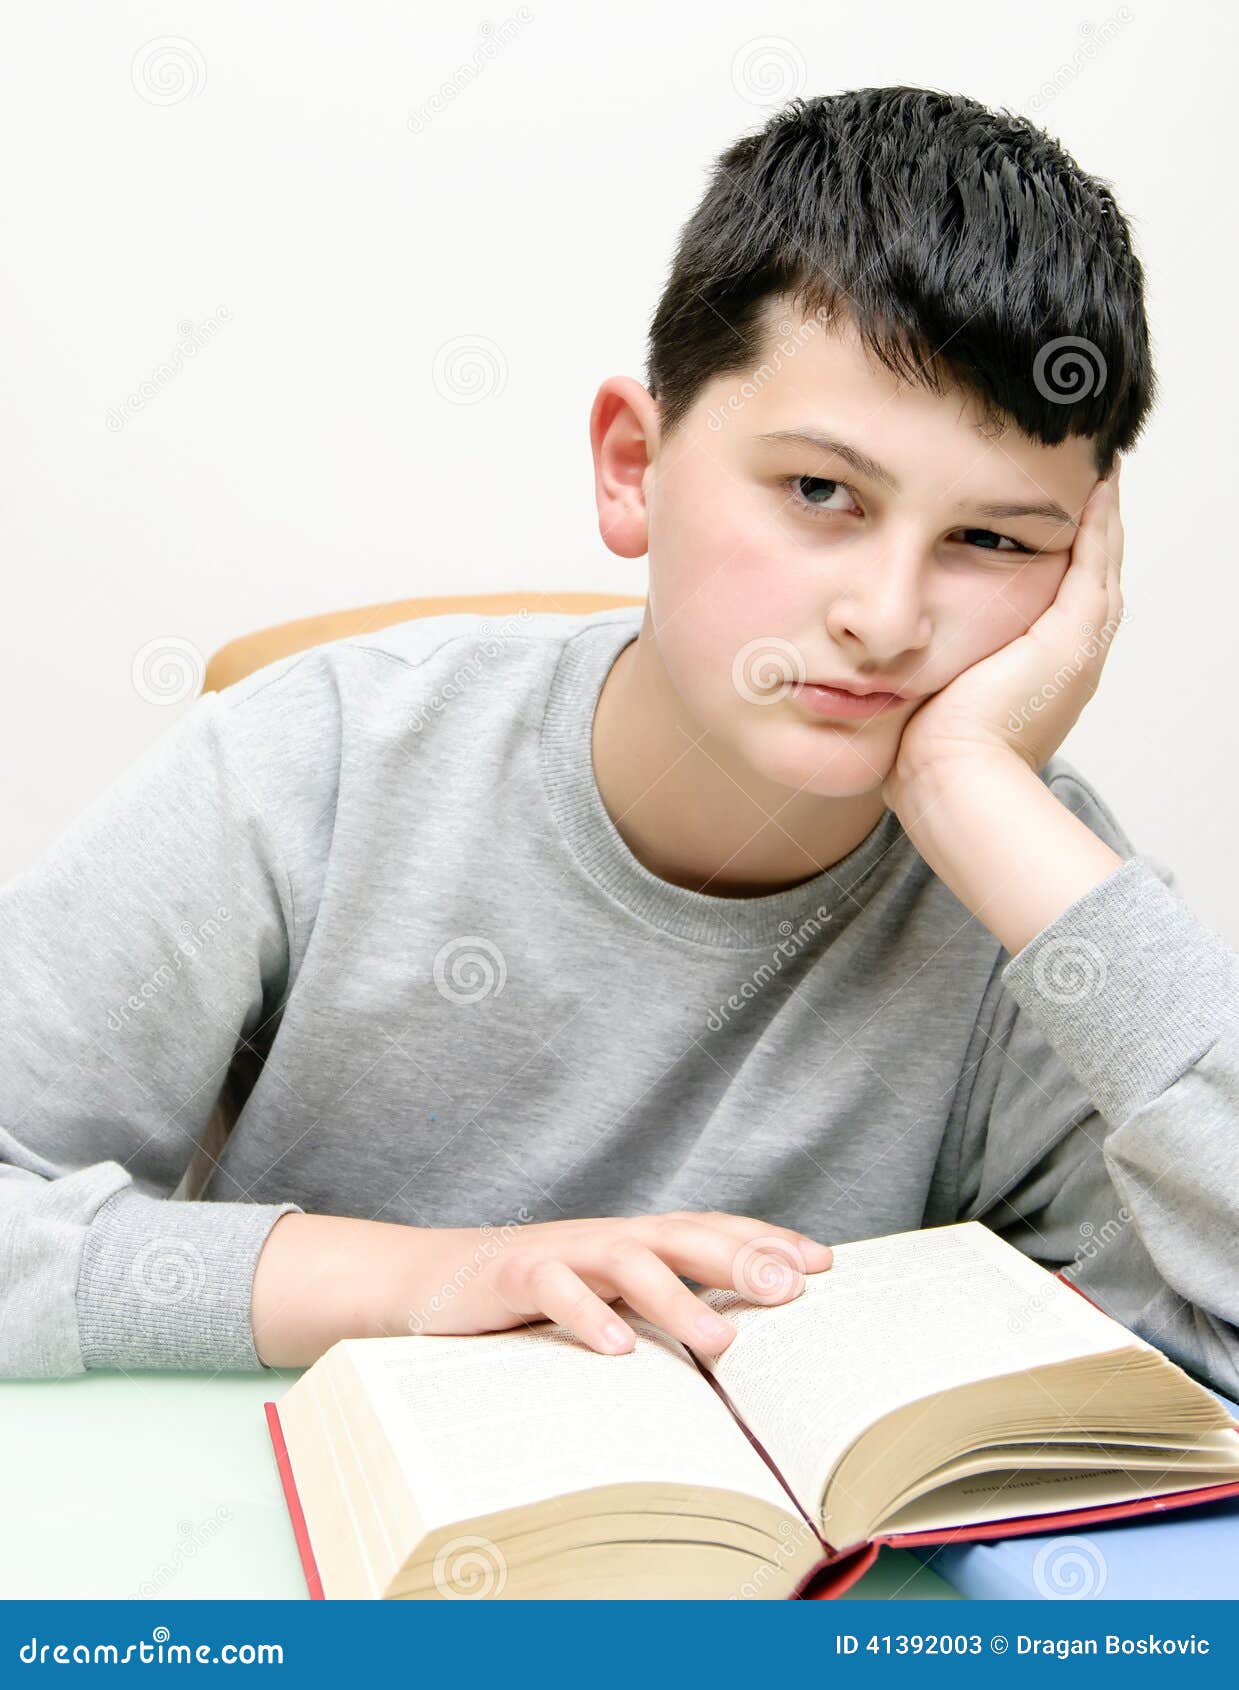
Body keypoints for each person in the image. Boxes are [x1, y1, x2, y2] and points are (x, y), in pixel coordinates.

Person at [3, 86, 1236, 1398]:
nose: (885, 619)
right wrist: (436, 1280)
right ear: (633, 467)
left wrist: (975, 790)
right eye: (821, 491)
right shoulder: (315, 762)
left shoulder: (1035, 890)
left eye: (992, 539)